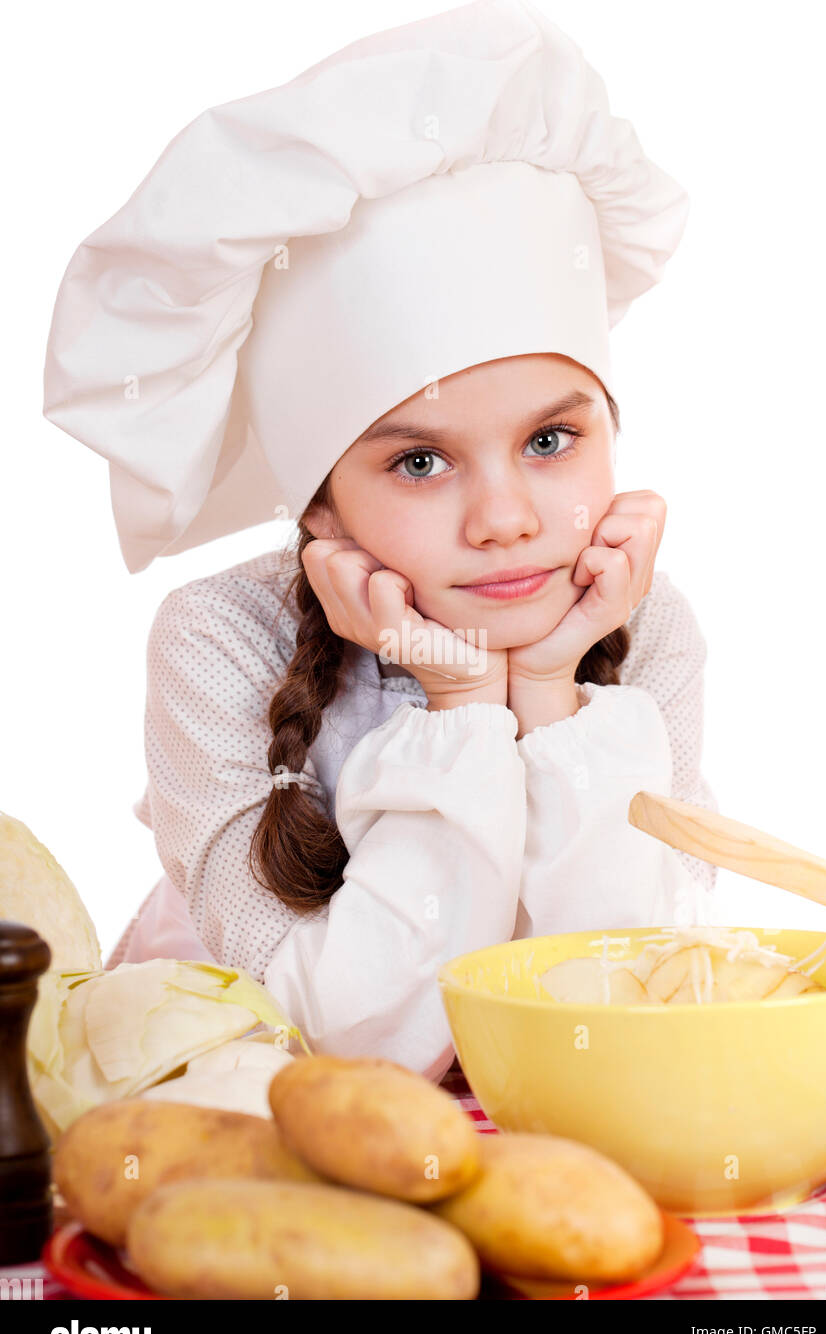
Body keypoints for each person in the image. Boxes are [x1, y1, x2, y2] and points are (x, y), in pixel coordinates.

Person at [43, 0, 720, 1083]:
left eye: (550, 438)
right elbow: (346, 1049)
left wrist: (547, 685)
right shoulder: (220, 642)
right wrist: (455, 703)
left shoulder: (640, 620)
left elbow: (620, 997)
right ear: (316, 505)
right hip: (263, 1122)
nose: (504, 517)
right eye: (418, 462)